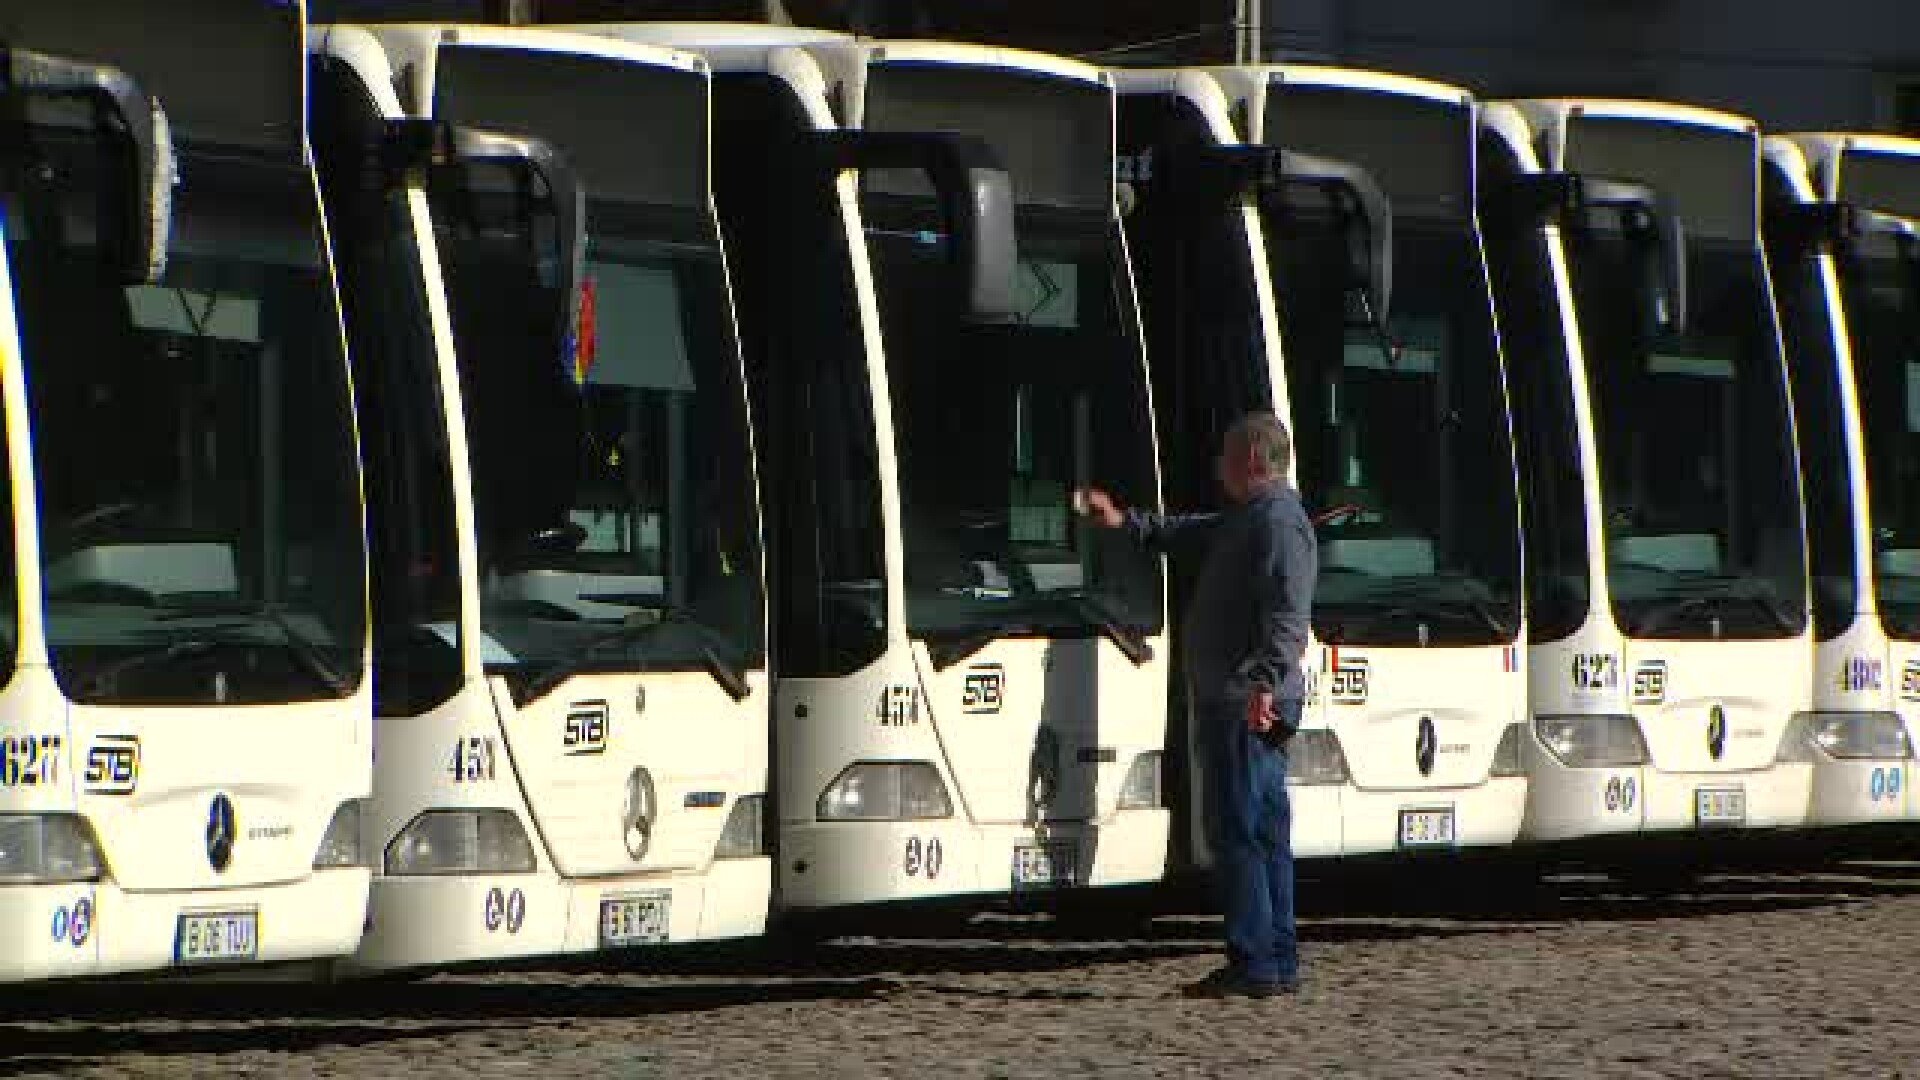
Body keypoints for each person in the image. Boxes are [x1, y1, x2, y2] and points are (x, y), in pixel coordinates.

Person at [1077, 411, 1315, 998]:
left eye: (1227, 456)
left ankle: (1256, 961)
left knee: (1239, 831)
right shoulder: (1250, 518)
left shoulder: (1278, 524)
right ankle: (1274, 959)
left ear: (1254, 461)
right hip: (1246, 697)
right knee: (1261, 832)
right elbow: (1193, 532)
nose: (1218, 467)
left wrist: (1262, 684)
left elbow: (1288, 617)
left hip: (1246, 702)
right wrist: (1127, 521)